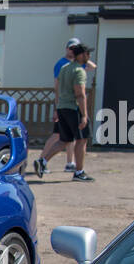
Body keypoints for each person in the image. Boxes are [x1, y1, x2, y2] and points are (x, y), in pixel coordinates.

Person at [38, 38, 99, 172]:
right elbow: (80, 94)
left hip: (62, 107)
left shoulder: (65, 68)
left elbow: (57, 87)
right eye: (87, 54)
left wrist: (57, 106)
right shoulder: (78, 71)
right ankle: (79, 171)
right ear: (81, 55)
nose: (89, 56)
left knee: (64, 140)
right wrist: (84, 115)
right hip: (73, 108)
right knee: (82, 140)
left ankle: (42, 160)